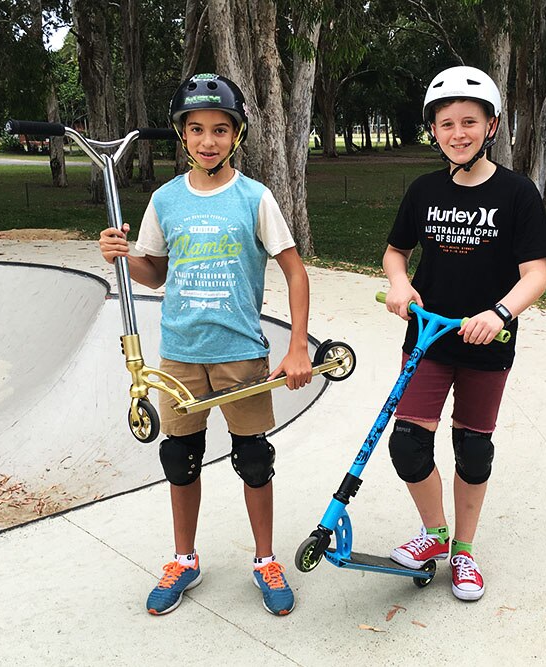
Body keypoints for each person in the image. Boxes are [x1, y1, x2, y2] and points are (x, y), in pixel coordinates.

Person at [98, 73, 312, 617]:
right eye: (196, 130)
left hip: (240, 352)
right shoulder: (166, 199)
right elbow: (153, 273)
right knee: (179, 458)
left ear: (236, 135)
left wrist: (297, 348)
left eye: (220, 129)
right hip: (181, 355)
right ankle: (184, 558)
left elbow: (295, 272)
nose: (208, 141)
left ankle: (264, 560)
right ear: (183, 136)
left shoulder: (255, 197)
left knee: (254, 458)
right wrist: (122, 254)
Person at [382, 65, 546, 601]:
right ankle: (434, 535)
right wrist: (398, 285)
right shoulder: (424, 190)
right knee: (409, 445)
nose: (458, 132)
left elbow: (537, 275)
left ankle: (464, 553)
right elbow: (396, 253)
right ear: (433, 130)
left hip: (487, 344)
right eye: (446, 123)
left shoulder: (518, 193)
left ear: (492, 126)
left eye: (469, 122)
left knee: (472, 449)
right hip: (429, 339)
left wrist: (499, 313)